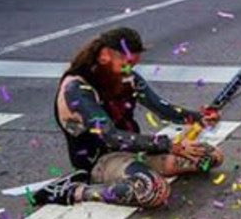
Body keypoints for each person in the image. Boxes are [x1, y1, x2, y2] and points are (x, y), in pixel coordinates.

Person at [31, 27, 224, 209]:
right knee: (154, 190)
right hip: (102, 160)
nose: (129, 70)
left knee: (211, 156)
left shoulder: (126, 78)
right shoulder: (77, 88)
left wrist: (199, 117)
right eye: (126, 64)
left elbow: (162, 108)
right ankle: (74, 191)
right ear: (105, 55)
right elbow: (111, 136)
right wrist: (170, 146)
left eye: (133, 65)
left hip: (137, 150)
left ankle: (140, 171)